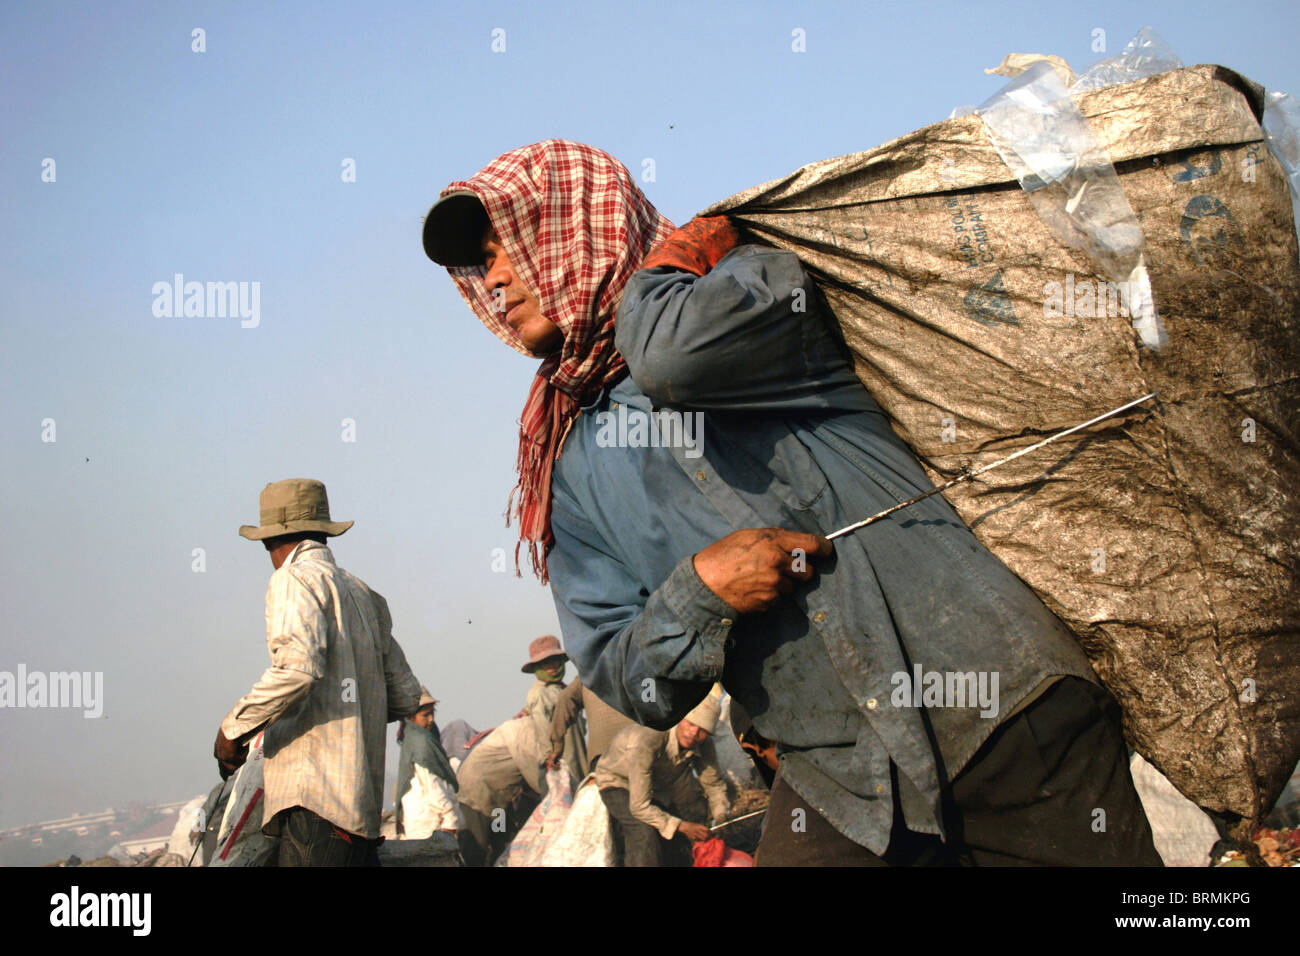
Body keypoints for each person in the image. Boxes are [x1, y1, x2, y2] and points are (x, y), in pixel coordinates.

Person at [423, 139, 1161, 866]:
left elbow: (671, 360)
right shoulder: (569, 464)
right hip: (845, 781)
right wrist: (698, 593)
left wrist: (663, 265)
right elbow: (625, 676)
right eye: (480, 266)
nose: (490, 282)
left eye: (500, 250)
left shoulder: (745, 281)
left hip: (1007, 717)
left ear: (573, 229)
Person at [213, 478, 423, 866]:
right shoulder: (364, 594)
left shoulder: (292, 579)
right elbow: (407, 696)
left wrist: (232, 730)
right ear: (323, 535)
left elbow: (297, 670)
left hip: (315, 807)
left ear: (272, 542)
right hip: (360, 816)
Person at [595, 696, 730, 867]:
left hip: (658, 782)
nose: (694, 733)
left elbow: (714, 784)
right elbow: (639, 806)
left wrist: (720, 816)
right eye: (690, 724)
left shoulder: (704, 744)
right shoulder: (651, 736)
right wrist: (680, 825)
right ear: (680, 720)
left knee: (695, 811)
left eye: (702, 731)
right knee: (643, 832)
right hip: (618, 781)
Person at [395, 686, 462, 838]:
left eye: (432, 713)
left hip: (422, 821)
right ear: (411, 717)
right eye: (425, 715)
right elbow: (434, 787)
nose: (431, 719)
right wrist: (450, 820)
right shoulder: (421, 745)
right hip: (429, 823)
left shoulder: (418, 739)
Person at [518, 635, 588, 779]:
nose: (553, 667)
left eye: (555, 662)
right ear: (537, 668)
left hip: (578, 754)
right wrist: (549, 757)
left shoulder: (565, 690)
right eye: (546, 664)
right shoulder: (539, 694)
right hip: (559, 761)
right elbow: (542, 727)